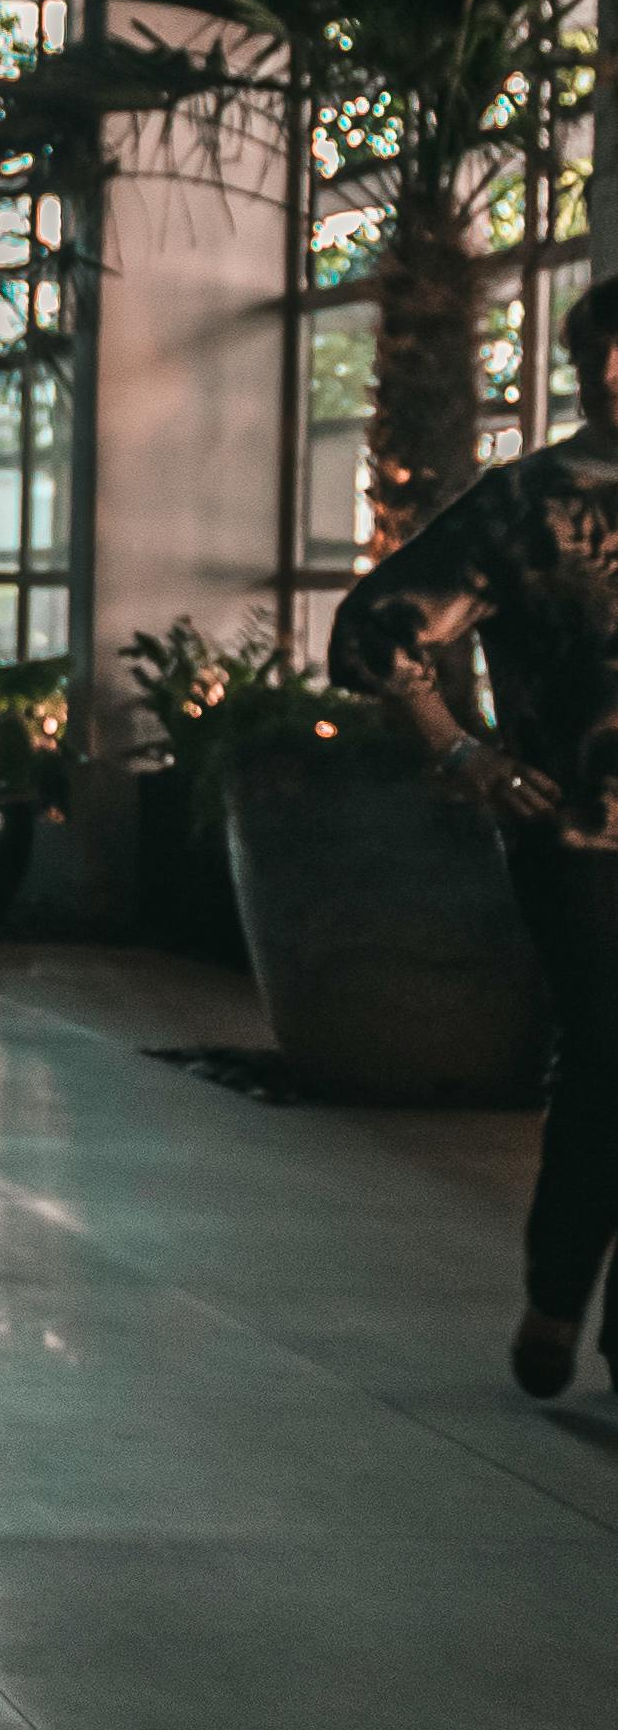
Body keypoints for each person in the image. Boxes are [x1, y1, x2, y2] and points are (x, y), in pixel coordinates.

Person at [328, 267, 618, 1399]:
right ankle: (554, 1299)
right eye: (593, 351)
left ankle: (570, 1310)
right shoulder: (524, 504)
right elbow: (374, 632)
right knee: (606, 1052)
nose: (606, 373)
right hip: (577, 840)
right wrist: (459, 751)